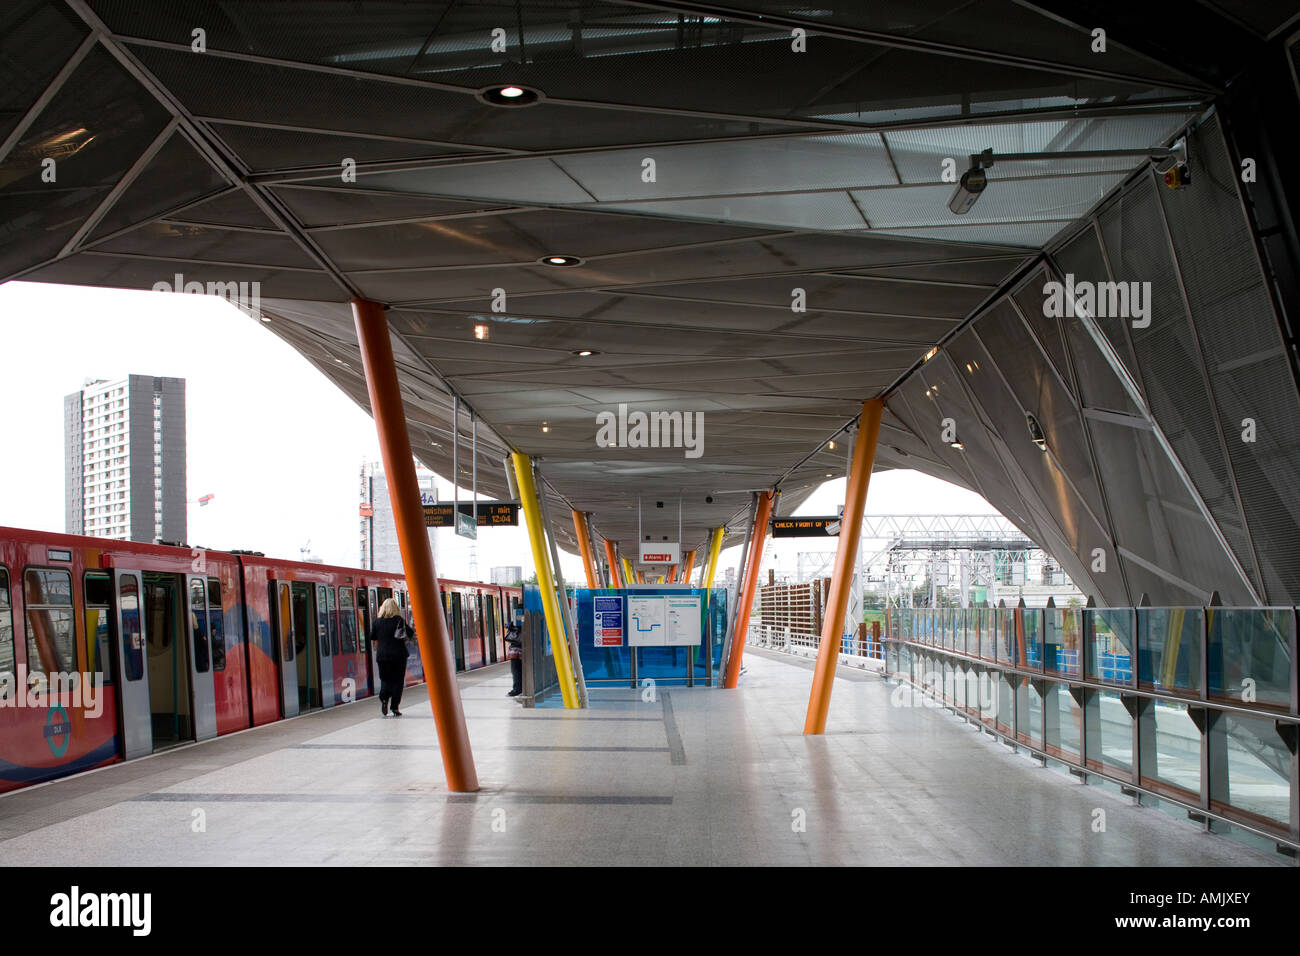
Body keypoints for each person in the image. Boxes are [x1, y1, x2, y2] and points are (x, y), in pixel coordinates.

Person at [370, 598, 411, 716]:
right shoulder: (399, 620)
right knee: (398, 681)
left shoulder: (377, 622)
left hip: (382, 656)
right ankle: (395, 707)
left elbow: (372, 636)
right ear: (396, 608)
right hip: (399, 656)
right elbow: (410, 633)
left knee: (385, 679)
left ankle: (384, 699)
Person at [505, 620, 523, 698]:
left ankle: (517, 689)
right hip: (522, 648)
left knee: (515, 670)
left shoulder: (518, 620)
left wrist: (510, 625)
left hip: (516, 648)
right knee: (519, 670)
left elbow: (510, 626)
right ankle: (519, 688)